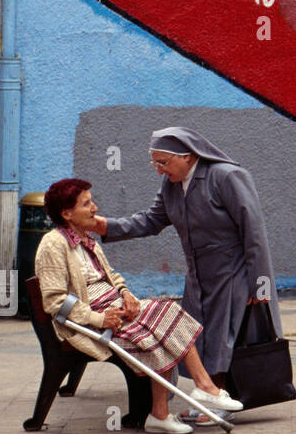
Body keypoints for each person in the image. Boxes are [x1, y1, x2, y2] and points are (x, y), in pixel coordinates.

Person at [36, 178, 243, 434]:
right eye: (86, 204)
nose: (95, 208)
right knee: (165, 316)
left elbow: (111, 275)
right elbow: (54, 302)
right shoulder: (53, 244)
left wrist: (126, 294)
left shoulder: (86, 239)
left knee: (165, 318)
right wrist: (99, 319)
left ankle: (164, 412)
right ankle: (201, 389)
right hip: (87, 322)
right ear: (67, 213)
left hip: (115, 308)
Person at [93, 127, 280, 407]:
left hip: (233, 274)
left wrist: (260, 283)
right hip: (198, 276)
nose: (159, 170)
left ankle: (220, 398)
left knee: (224, 338)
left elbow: (254, 233)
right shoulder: (172, 184)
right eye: (154, 163)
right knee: (198, 337)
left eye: (163, 163)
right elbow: (152, 220)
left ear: (189, 157)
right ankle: (211, 397)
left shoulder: (226, 177)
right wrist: (107, 226)